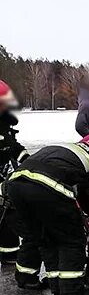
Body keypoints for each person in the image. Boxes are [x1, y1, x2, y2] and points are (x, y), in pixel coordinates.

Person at [2, 132, 89, 295]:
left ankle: (58, 290)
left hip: (15, 186)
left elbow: (82, 195)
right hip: (46, 185)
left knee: (46, 240)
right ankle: (72, 293)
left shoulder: (67, 149)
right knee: (71, 240)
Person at [0, 80, 27, 262]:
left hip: (5, 171)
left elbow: (13, 146)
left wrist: (28, 161)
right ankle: (8, 252)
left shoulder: (5, 123)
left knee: (8, 207)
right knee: (6, 207)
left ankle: (9, 252)